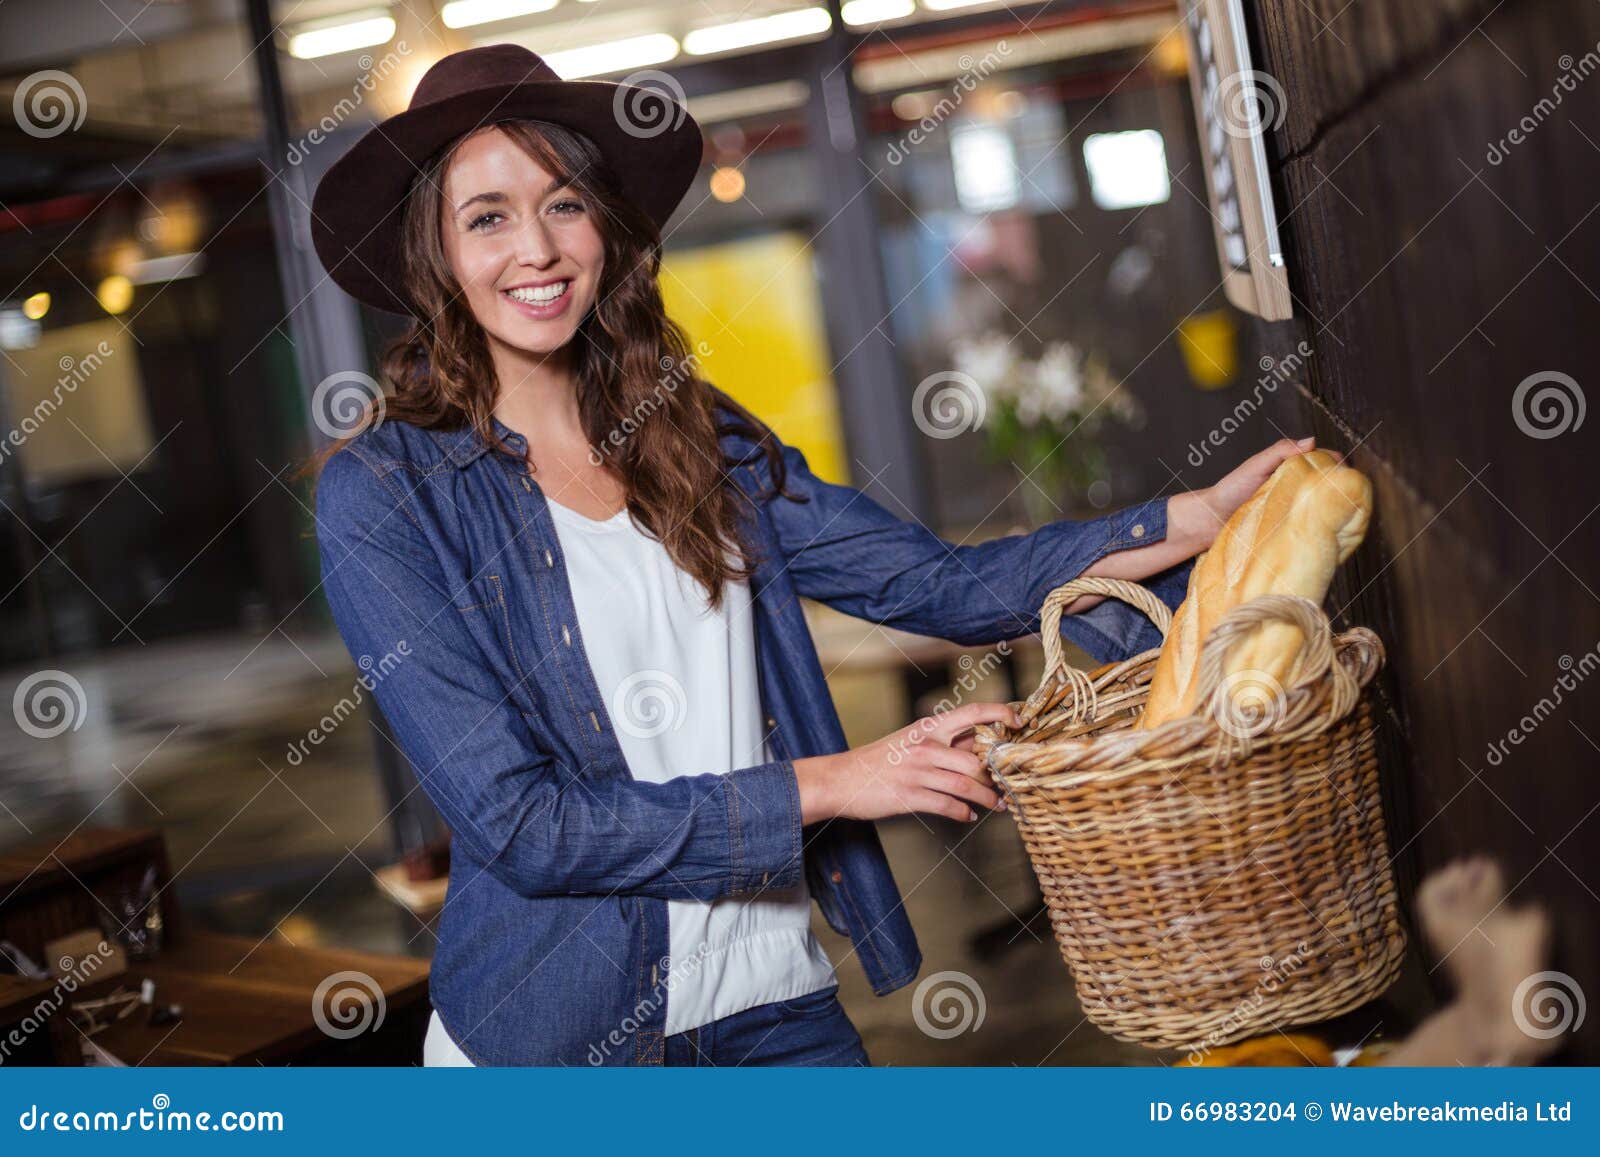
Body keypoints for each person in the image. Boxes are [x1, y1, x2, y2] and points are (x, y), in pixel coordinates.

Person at [308, 44, 1316, 1067]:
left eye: (565, 204)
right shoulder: (386, 494)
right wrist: (837, 781)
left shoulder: (692, 436)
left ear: (605, 228)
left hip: (775, 1005)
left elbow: (935, 582)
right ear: (434, 254)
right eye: (486, 216)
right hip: (551, 1039)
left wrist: (1176, 525)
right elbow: (525, 825)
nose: (537, 246)